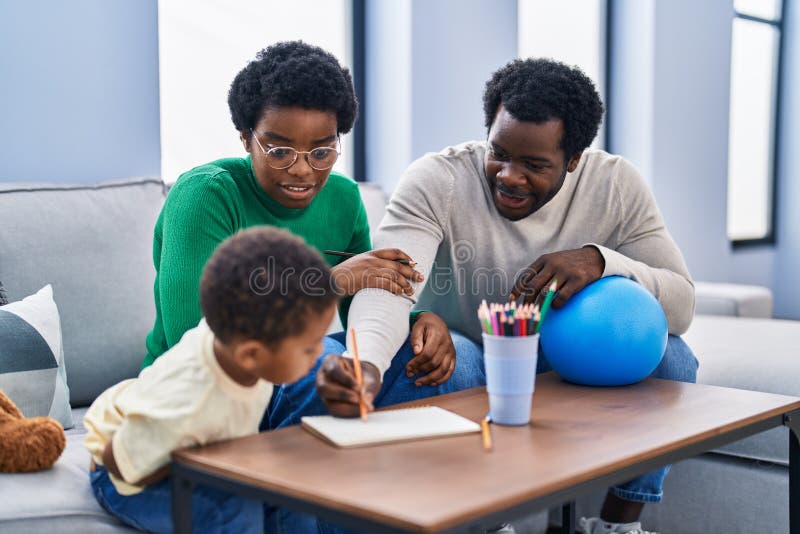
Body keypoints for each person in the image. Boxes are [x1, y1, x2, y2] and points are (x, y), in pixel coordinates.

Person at [329, 58, 699, 534]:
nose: (508, 175)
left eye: (534, 164)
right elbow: (390, 284)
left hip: (567, 360)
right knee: (437, 362)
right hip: (472, 357)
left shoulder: (615, 186)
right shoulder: (438, 179)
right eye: (498, 152)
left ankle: (615, 525)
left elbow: (681, 305)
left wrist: (600, 261)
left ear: (574, 160)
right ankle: (481, 522)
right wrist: (367, 365)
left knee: (673, 362)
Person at [84, 227, 340, 533]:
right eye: (309, 347)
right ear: (251, 355)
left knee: (293, 493)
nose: (320, 352)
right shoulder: (187, 406)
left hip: (184, 448)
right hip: (126, 475)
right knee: (234, 509)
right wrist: (205, 469)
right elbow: (119, 461)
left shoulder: (236, 336)